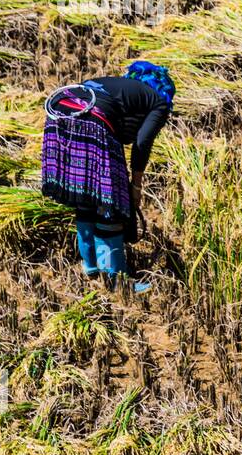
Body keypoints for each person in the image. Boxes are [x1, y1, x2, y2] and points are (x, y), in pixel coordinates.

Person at [40, 61, 174, 292]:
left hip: (57, 112)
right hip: (94, 119)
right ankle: (117, 281)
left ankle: (90, 266)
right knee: (108, 202)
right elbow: (142, 142)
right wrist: (136, 185)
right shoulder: (159, 102)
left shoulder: (115, 85)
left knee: (86, 195)